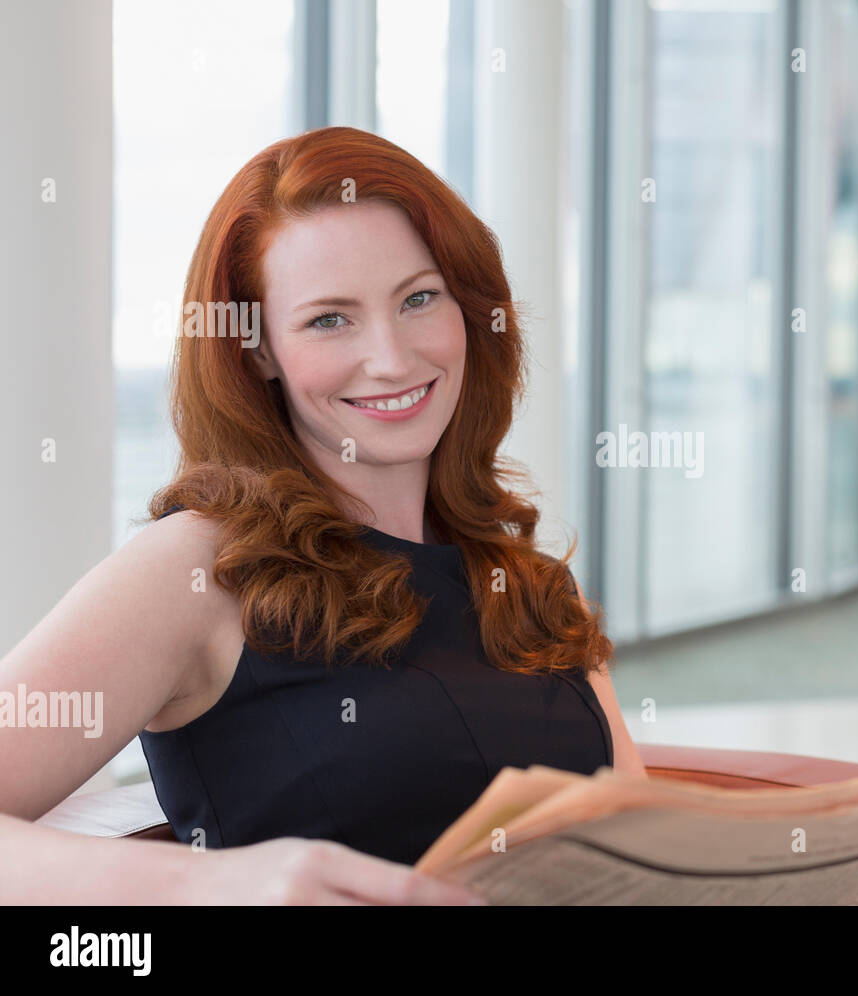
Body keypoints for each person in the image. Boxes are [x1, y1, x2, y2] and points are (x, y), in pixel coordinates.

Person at [0, 126, 646, 904]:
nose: (392, 357)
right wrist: (209, 886)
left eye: (418, 298)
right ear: (259, 350)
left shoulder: (533, 587)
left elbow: (643, 851)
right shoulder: (197, 568)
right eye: (329, 320)